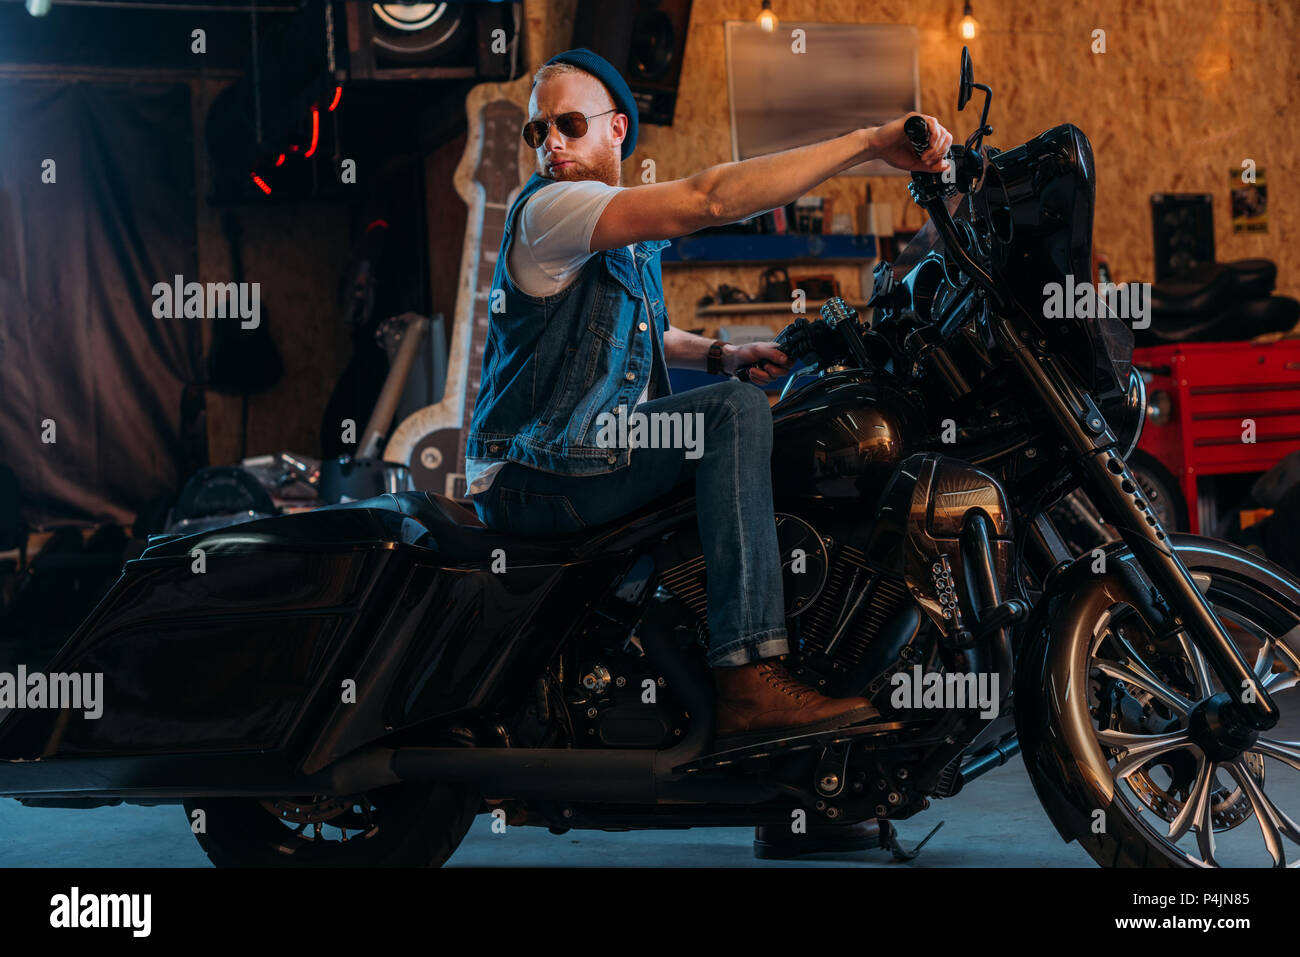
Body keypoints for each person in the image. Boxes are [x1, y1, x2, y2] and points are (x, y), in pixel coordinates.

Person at [467, 47, 952, 755]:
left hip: (570, 452)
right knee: (731, 412)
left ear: (617, 131)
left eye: (568, 124)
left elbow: (642, 330)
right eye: (538, 131)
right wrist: (870, 143)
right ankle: (749, 674)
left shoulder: (612, 230)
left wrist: (719, 353)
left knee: (748, 409)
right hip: (537, 468)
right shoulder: (551, 209)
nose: (551, 144)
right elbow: (709, 200)